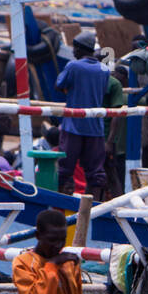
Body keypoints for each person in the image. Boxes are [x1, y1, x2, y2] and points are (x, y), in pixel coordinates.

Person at [55, 31, 109, 198]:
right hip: (95, 127)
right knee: (95, 172)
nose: (73, 52)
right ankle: (92, 207)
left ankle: (60, 203)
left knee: (64, 169)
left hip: (74, 125)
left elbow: (59, 84)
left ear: (79, 49)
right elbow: (103, 91)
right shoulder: (104, 69)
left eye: (75, 48)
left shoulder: (73, 66)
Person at [103, 64, 127, 198]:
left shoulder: (114, 85)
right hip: (96, 136)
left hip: (109, 140)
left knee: (111, 173)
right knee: (98, 175)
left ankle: (119, 204)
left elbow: (115, 115)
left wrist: (109, 141)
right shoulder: (95, 81)